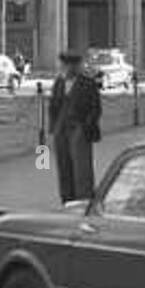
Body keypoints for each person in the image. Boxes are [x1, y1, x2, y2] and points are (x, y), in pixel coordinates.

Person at [48, 50, 102, 204]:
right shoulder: (59, 82)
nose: (63, 69)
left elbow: (95, 108)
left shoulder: (88, 83)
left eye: (66, 66)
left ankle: (84, 199)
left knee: (81, 167)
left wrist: (86, 127)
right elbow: (53, 105)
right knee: (63, 164)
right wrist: (53, 127)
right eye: (62, 65)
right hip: (61, 128)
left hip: (79, 128)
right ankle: (67, 198)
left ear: (74, 66)